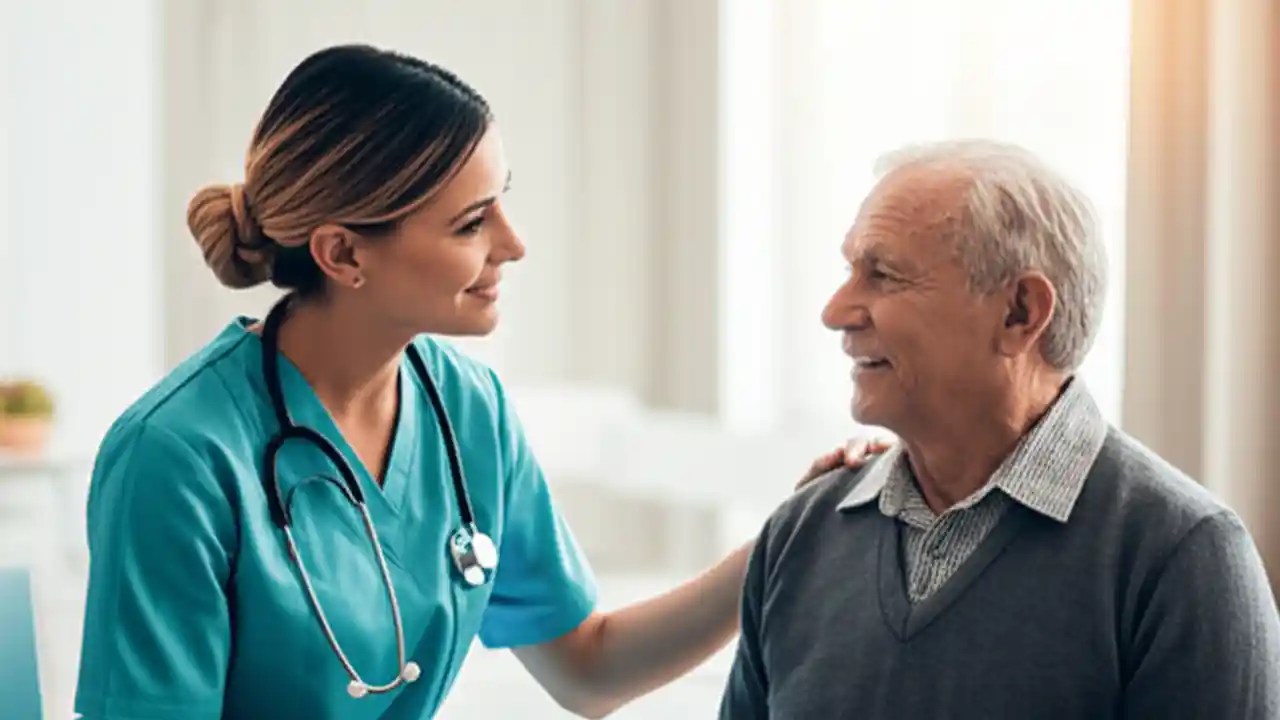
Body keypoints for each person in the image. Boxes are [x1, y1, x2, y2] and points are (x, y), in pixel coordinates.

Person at [72, 44, 869, 720]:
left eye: (501, 205)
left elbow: (588, 669)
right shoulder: (174, 457)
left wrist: (781, 542)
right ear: (343, 254)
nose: (513, 245)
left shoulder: (467, 409)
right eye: (470, 223)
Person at [719, 140, 1280, 719]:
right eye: (850, 269)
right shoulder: (797, 534)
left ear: (1020, 312)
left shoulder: (1184, 557)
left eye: (882, 274)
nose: (836, 311)